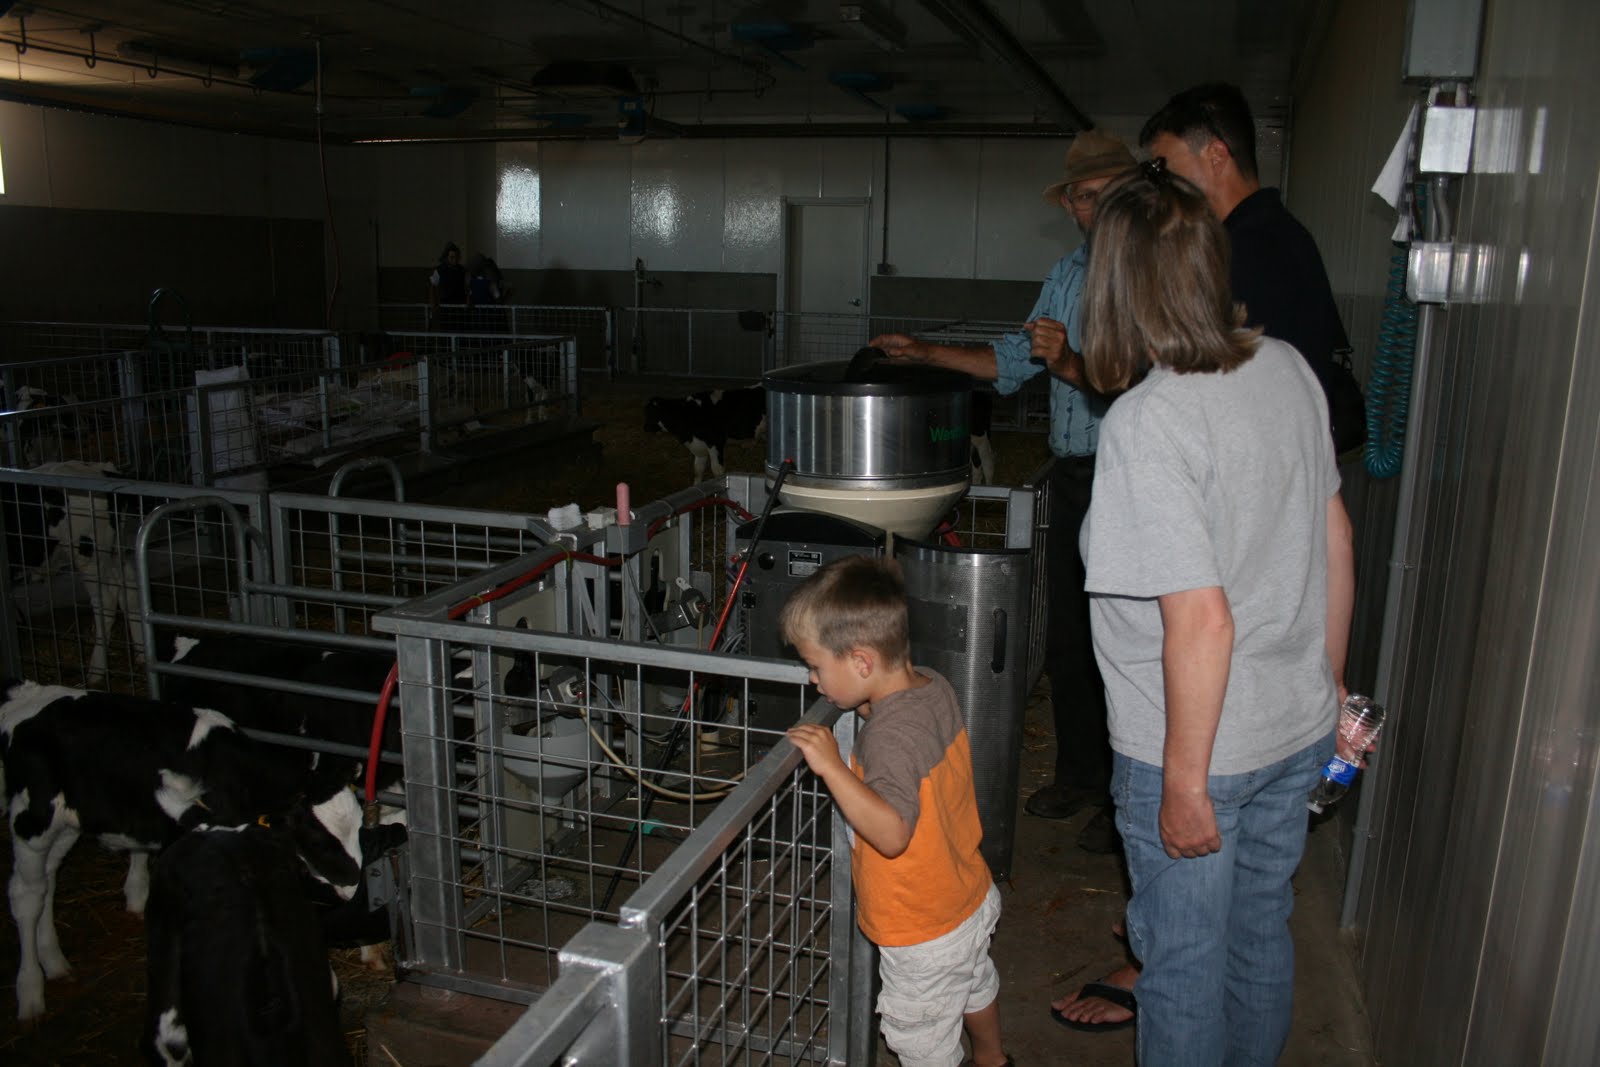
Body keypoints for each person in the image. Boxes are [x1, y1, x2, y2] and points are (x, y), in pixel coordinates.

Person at [1074, 159, 1357, 1065]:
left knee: (1184, 968)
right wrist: (1330, 688)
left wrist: (1186, 781)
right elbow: (1334, 538)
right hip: (1291, 726)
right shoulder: (1285, 369)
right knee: (1258, 937)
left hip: (1193, 748)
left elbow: (1201, 620)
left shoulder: (1148, 423)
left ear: (1114, 284)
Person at [869, 128, 1138, 856]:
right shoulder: (1066, 272)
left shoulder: (1151, 272)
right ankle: (1083, 771)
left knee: (1127, 641)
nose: (1089, 209)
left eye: (1102, 194)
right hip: (1075, 471)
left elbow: (1145, 380)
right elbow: (1015, 360)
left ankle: (1128, 796)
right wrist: (926, 352)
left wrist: (1073, 360)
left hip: (1136, 475)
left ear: (1133, 192)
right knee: (1070, 634)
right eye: (1080, 197)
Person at [782, 555, 1012, 1067]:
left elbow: (891, 834)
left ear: (862, 662)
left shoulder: (888, 738)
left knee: (922, 1039)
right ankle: (994, 1060)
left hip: (922, 925)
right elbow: (907, 737)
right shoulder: (930, 685)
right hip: (968, 895)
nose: (814, 680)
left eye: (817, 666)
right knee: (974, 983)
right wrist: (867, 707)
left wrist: (832, 765)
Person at [1139, 82, 1365, 454]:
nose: (1161, 189)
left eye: (1165, 170)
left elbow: (1223, 393)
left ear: (1215, 155)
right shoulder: (1279, 236)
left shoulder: (1245, 250)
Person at [428, 241, 468, 330]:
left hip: (458, 306)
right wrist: (434, 303)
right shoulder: (439, 270)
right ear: (447, 258)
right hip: (445, 306)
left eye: (456, 257)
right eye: (452, 257)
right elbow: (433, 286)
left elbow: (466, 286)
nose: (454, 260)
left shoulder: (462, 270)